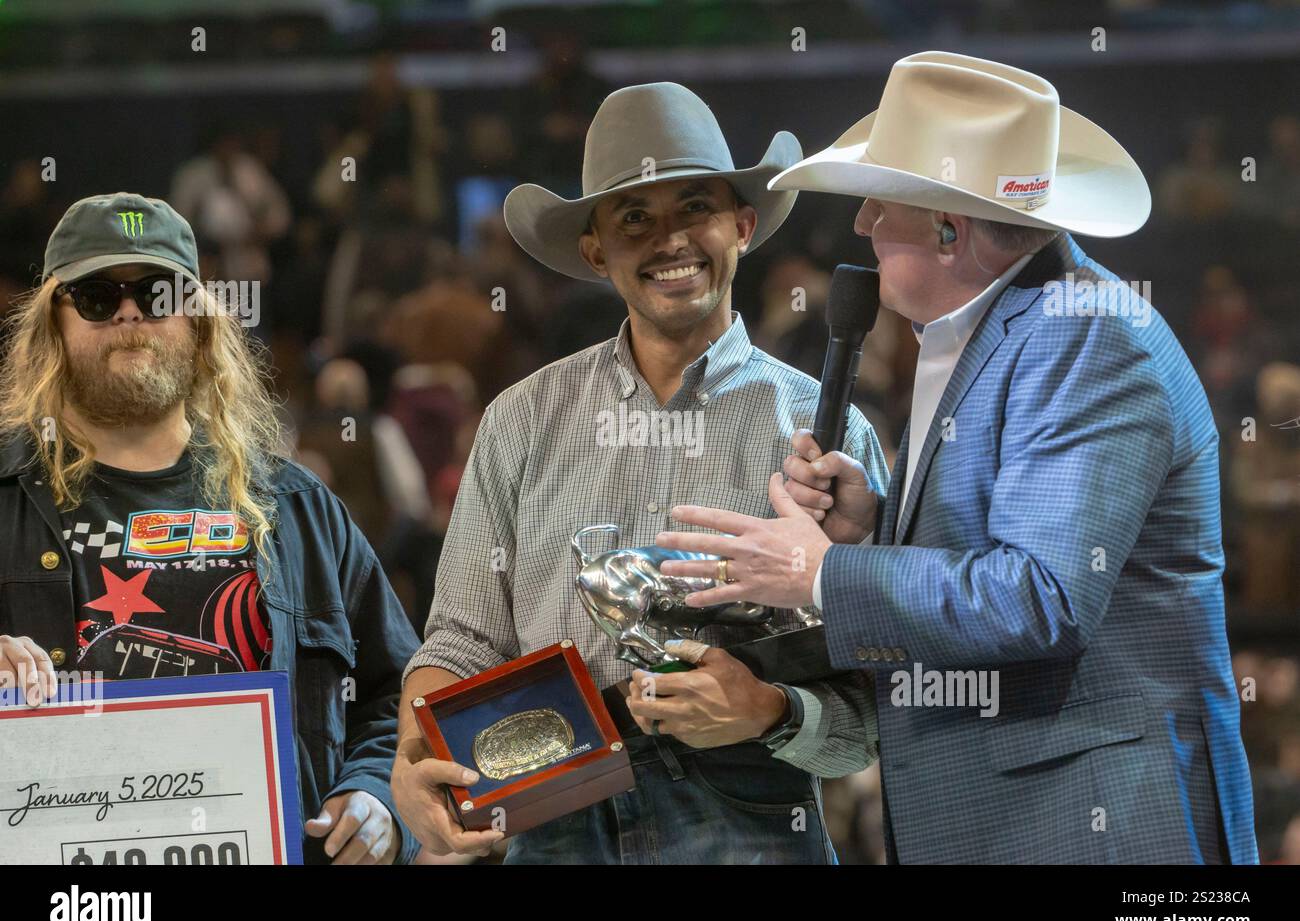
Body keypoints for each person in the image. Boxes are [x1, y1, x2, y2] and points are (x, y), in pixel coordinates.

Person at [653, 52, 1258, 864]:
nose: (863, 224)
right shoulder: (1019, 326)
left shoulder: (1086, 334)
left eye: (880, 201)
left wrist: (824, 573)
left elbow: (1042, 597)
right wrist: (872, 531)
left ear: (950, 227)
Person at [392, 83, 890, 864]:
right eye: (634, 219)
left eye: (695, 207)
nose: (669, 240)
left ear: (743, 225)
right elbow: (461, 640)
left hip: (750, 817)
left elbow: (871, 712)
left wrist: (765, 709)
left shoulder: (827, 437)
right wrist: (410, 761)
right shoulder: (521, 419)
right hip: (551, 814)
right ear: (597, 251)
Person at [0, 192, 421, 864]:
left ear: (198, 321)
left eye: (159, 292)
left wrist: (377, 795)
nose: (131, 311)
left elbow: (402, 688)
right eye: (99, 296)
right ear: (55, 320)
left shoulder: (296, 507)